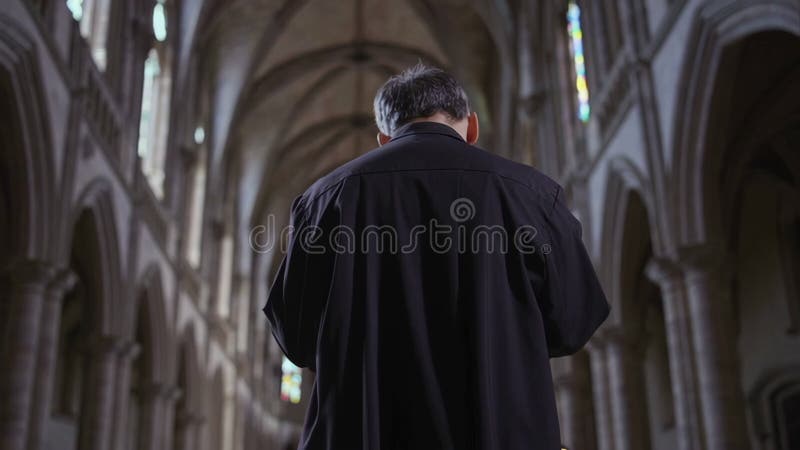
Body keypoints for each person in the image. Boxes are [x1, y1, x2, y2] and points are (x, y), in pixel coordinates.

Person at [264, 63, 609, 450]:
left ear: (383, 138)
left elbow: (295, 336)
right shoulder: (532, 194)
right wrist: (505, 337)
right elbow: (574, 321)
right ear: (472, 127)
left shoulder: (323, 202)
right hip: (501, 430)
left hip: (364, 430)